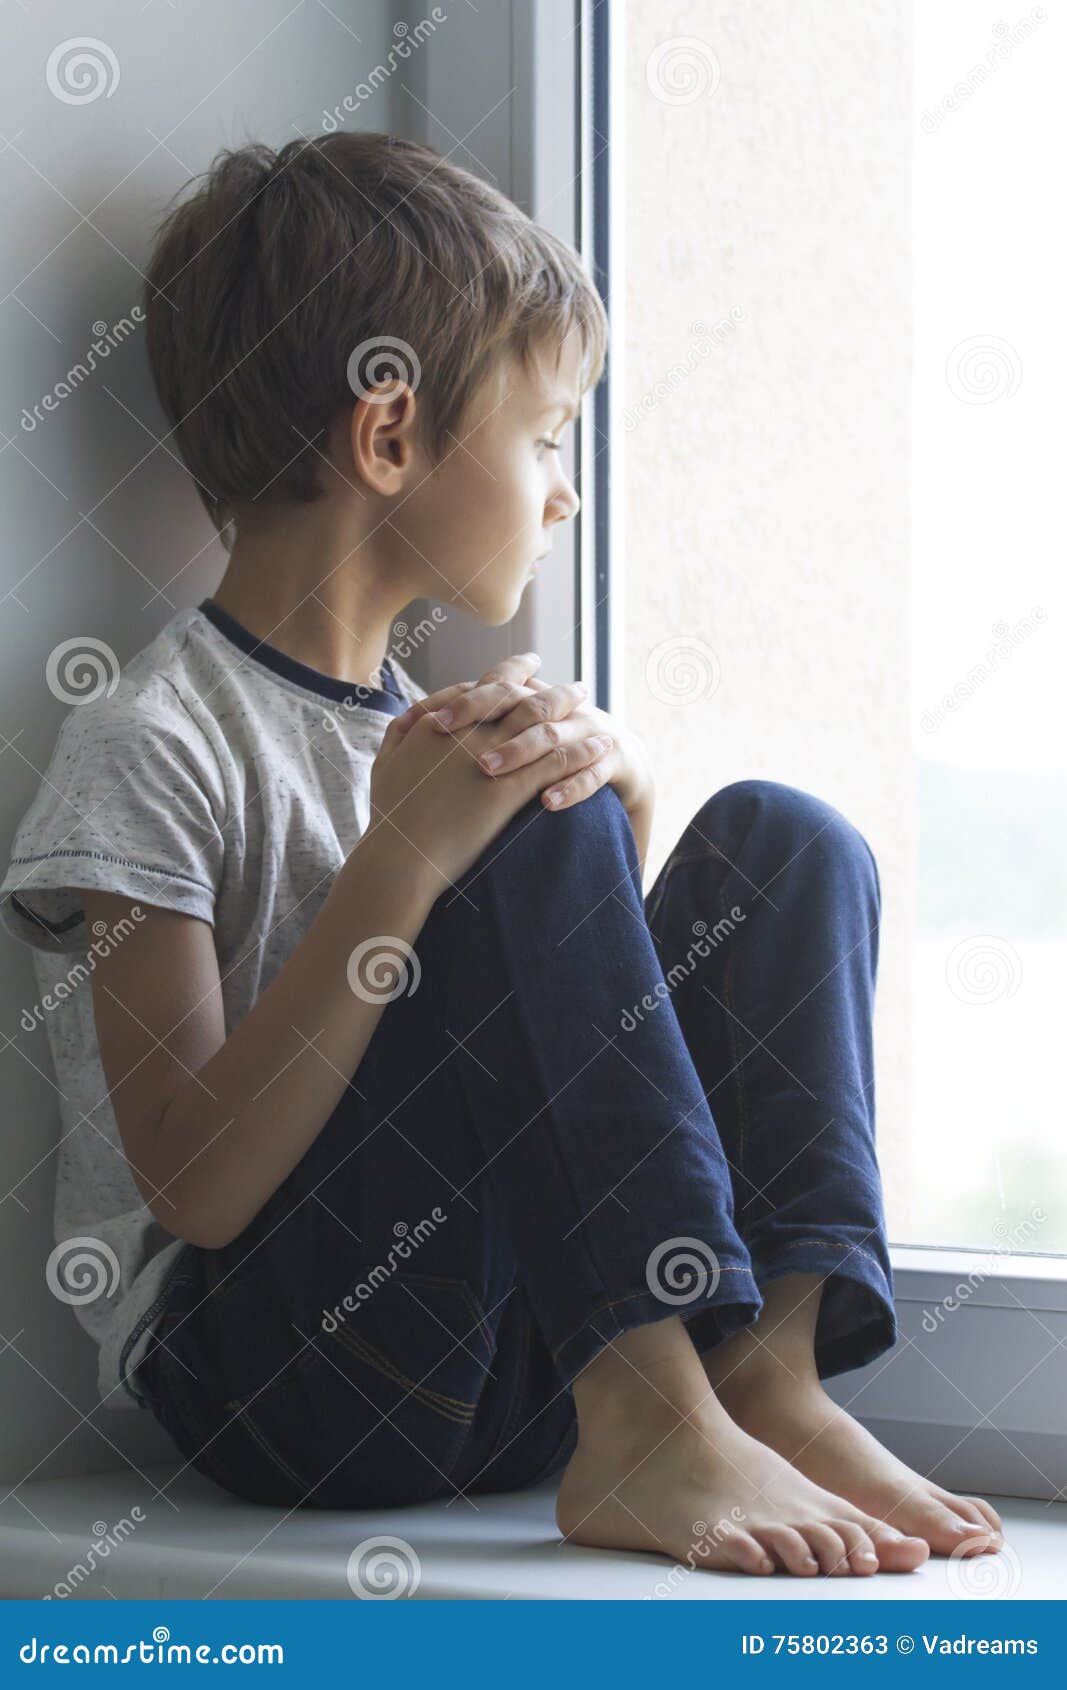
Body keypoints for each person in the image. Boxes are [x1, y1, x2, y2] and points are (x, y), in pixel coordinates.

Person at [0, 132, 1003, 1579]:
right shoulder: (155, 738)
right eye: (547, 437)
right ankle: (651, 1415)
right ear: (390, 436)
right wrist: (399, 864)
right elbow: (192, 1185)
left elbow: (545, 1041)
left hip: (516, 1348)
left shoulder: (435, 731)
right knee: (521, 813)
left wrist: (622, 822)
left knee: (790, 840)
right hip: (293, 1380)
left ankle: (758, 1377)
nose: (564, 492)